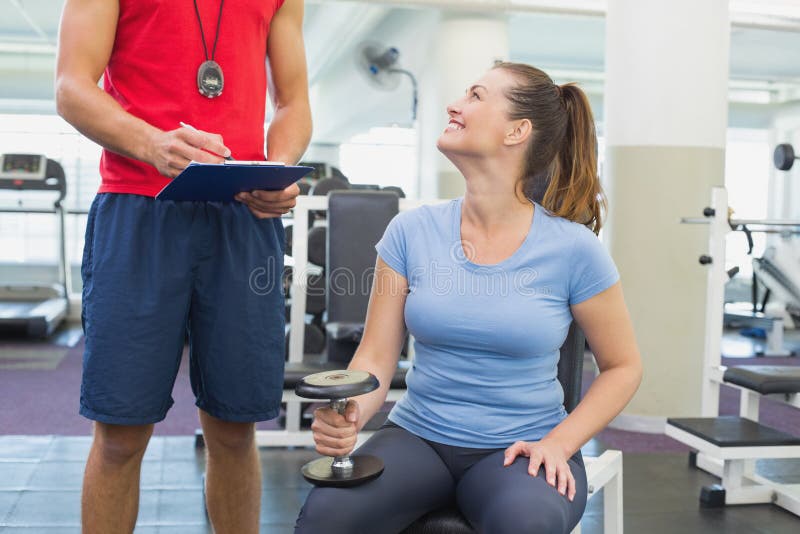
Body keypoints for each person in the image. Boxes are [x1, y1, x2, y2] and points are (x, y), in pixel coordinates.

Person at [294, 62, 642, 534]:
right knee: (326, 518)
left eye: (476, 96)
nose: (454, 104)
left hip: (523, 447)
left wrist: (560, 443)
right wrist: (352, 414)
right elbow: (375, 356)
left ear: (517, 130)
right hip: (418, 436)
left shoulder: (574, 248)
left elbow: (623, 368)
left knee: (526, 525)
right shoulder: (410, 232)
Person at [55, 0, 311, 532]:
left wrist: (278, 168)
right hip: (138, 209)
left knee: (235, 427)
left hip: (241, 212)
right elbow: (71, 88)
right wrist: (152, 143)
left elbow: (293, 101)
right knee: (121, 434)